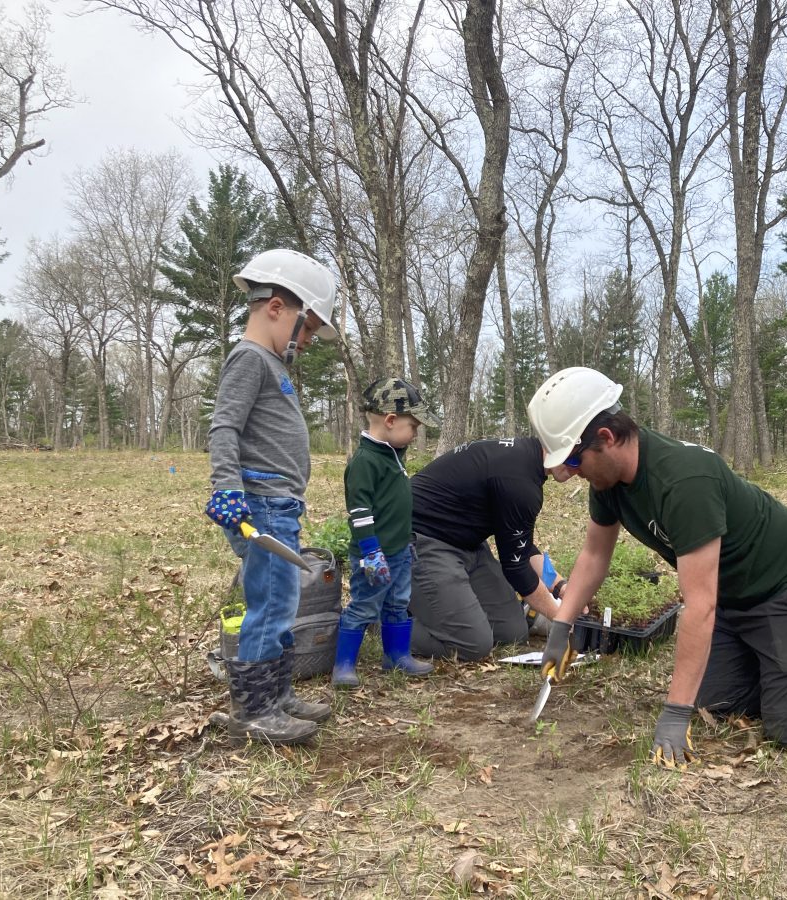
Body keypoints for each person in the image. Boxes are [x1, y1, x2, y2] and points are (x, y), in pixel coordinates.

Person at [527, 367, 787, 767]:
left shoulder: (683, 482)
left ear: (607, 437)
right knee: (716, 701)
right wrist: (563, 626)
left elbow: (699, 607)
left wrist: (675, 714)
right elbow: (594, 556)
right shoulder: (609, 480)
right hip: (736, 598)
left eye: (576, 461)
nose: (572, 473)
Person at [204, 248, 338, 747]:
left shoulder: (272, 362)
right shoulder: (248, 359)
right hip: (257, 503)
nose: (305, 341)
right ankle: (254, 712)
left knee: (283, 601)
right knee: (271, 602)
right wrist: (228, 489)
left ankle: (276, 695)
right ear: (277, 306)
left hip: (280, 504)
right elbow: (224, 427)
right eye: (306, 328)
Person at [408, 437, 568, 661]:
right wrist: (562, 619)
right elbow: (517, 569)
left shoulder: (526, 461)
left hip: (469, 545)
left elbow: (521, 544)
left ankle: (433, 606)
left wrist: (561, 586)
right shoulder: (519, 479)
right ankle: (383, 619)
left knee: (511, 632)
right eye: (574, 457)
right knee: (472, 645)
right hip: (424, 540)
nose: (577, 470)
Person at [332, 377, 440, 687]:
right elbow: (360, 512)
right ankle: (343, 665)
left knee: (398, 602)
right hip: (374, 554)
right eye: (414, 426)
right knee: (365, 605)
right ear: (391, 421)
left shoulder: (392, 455)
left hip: (399, 551)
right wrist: (370, 550)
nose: (416, 432)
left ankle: (397, 656)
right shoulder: (366, 462)